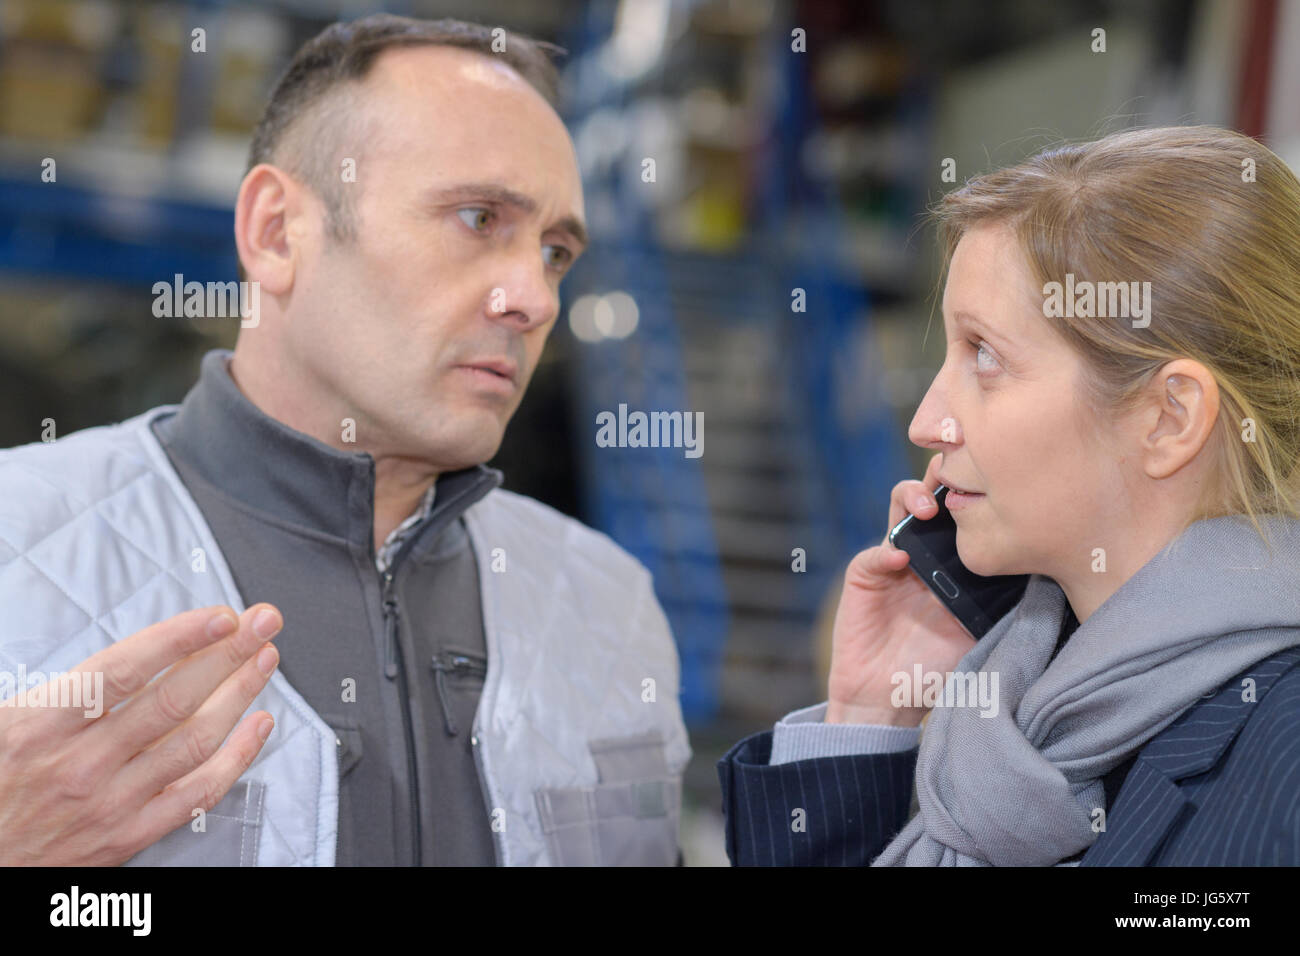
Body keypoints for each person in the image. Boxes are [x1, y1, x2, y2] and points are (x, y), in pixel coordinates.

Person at [0, 14, 690, 867]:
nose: (534, 297)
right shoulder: (16, 543)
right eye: (479, 218)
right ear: (276, 232)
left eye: (554, 252)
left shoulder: (611, 610)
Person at [718, 125, 1300, 866]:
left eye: (985, 355)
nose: (928, 421)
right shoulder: (1008, 713)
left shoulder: (1281, 764)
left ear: (1169, 418)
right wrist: (868, 718)